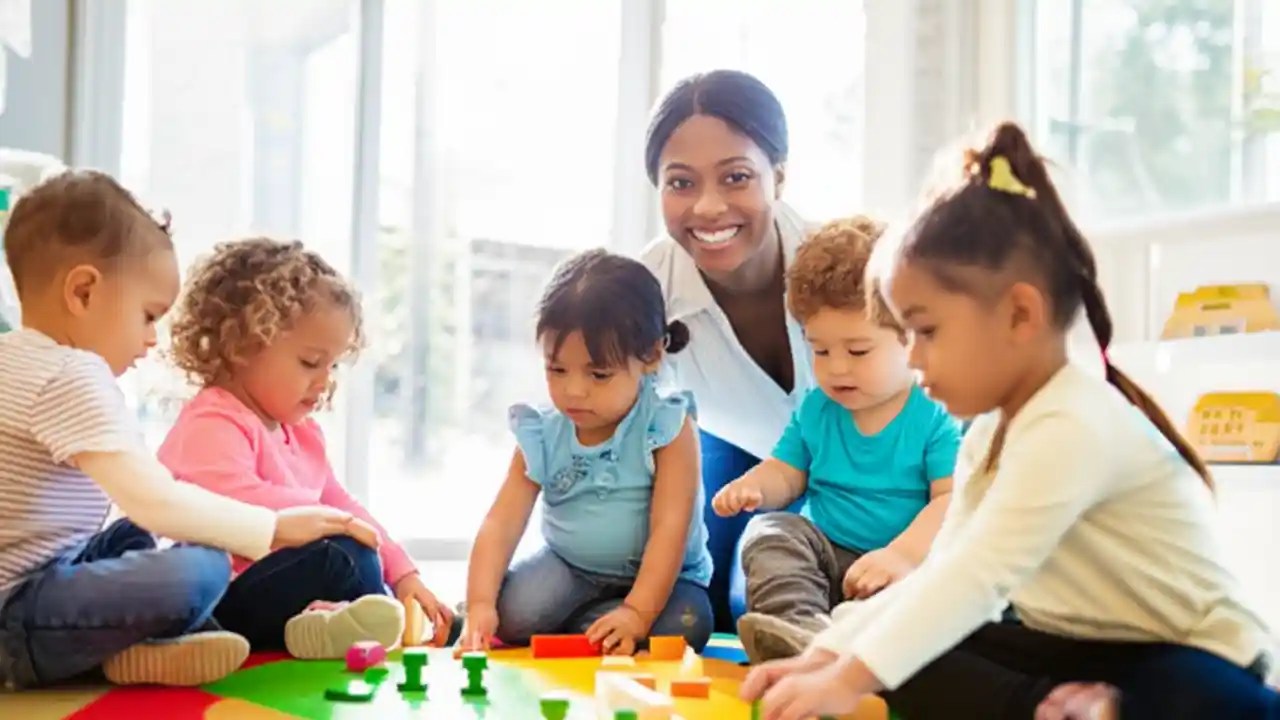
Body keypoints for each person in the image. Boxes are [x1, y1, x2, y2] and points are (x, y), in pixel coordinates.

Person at [740, 122, 1279, 720]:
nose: (914, 357)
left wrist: (847, 682)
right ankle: (1054, 707)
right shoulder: (989, 436)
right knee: (914, 649)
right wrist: (828, 657)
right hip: (1075, 652)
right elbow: (941, 571)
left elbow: (979, 576)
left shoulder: (1073, 421)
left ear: (1020, 314)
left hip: (1187, 654)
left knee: (1188, 698)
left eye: (927, 331)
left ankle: (1091, 708)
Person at [0, 171, 365, 689]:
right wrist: (276, 527)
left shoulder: (17, 360)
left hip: (48, 574)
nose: (151, 339)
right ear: (83, 292)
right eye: (147, 316)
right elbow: (158, 502)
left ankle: (133, 652)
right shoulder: (70, 375)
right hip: (15, 614)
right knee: (200, 569)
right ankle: (121, 649)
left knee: (134, 538)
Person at [158, 238, 454, 658]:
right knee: (340, 552)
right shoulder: (212, 421)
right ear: (242, 346)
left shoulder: (302, 434)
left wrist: (404, 573)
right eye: (310, 362)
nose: (325, 381)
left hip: (276, 589)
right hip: (219, 602)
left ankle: (333, 625)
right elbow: (231, 501)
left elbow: (343, 505)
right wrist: (328, 519)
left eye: (331, 365)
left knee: (355, 546)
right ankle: (370, 627)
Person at [711, 216, 959, 664]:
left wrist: (900, 556)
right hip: (824, 558)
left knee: (938, 597)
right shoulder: (816, 408)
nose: (836, 368)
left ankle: (859, 642)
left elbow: (951, 502)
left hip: (900, 570)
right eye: (819, 350)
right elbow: (787, 473)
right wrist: (756, 485)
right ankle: (797, 629)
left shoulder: (933, 410)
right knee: (769, 531)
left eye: (858, 351)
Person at [457, 250, 714, 656]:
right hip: (570, 566)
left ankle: (603, 621)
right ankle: (593, 623)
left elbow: (671, 528)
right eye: (557, 370)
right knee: (513, 615)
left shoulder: (668, 426)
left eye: (599, 374)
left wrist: (636, 613)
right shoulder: (543, 430)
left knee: (687, 624)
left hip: (669, 580)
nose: (573, 391)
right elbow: (501, 523)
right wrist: (479, 605)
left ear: (650, 356)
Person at [641, 69, 815, 631]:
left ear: (779, 177)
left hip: (853, 462)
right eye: (681, 183)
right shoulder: (645, 290)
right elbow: (603, 421)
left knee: (762, 598)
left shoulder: (848, 264)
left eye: (736, 177)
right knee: (694, 603)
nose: (709, 208)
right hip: (733, 445)